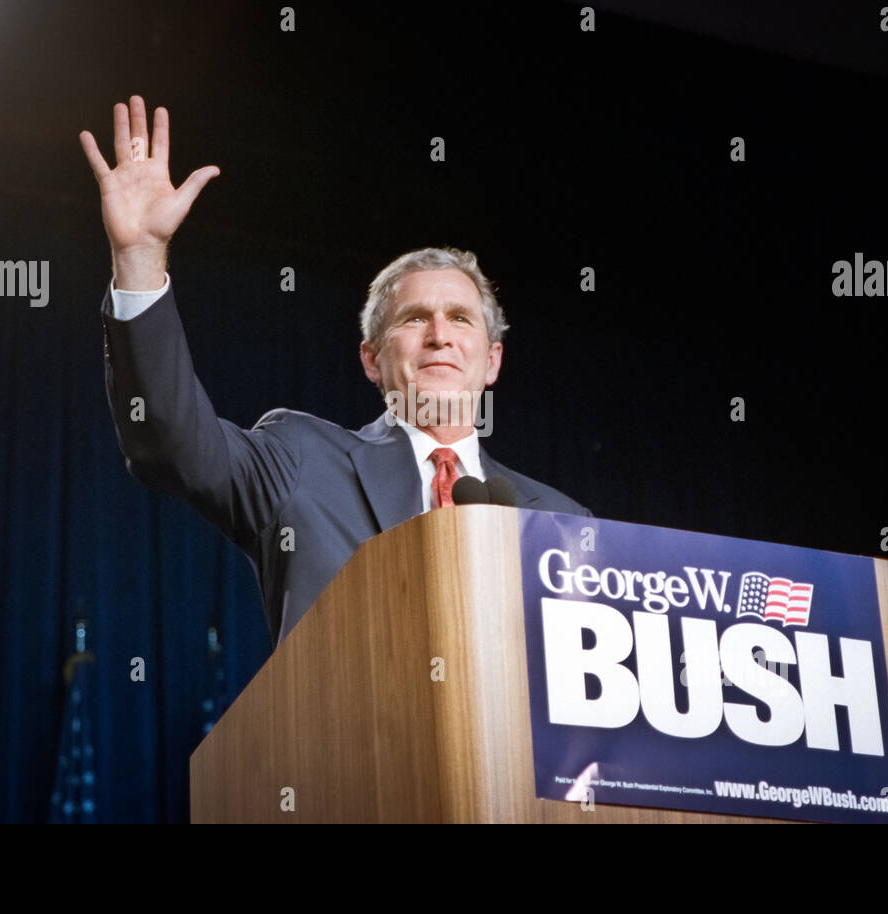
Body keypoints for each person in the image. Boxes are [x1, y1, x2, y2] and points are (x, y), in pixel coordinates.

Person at [80, 96, 589, 645]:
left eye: (460, 319)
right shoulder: (301, 461)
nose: (440, 335)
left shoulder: (563, 523)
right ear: (371, 359)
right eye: (415, 319)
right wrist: (139, 257)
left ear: (492, 360)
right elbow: (172, 442)